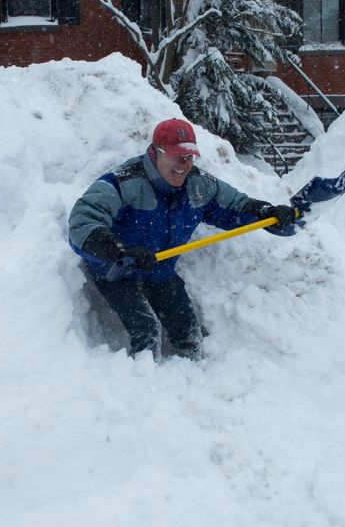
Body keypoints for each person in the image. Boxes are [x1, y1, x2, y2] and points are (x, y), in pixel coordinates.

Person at [68, 118, 297, 360]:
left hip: (160, 271)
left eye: (190, 157)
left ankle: (196, 385)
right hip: (116, 271)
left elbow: (234, 206)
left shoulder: (198, 185)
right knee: (148, 331)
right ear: (156, 152)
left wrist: (266, 212)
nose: (184, 165)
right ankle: (140, 388)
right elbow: (82, 222)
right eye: (178, 156)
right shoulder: (124, 182)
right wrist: (118, 250)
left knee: (189, 332)